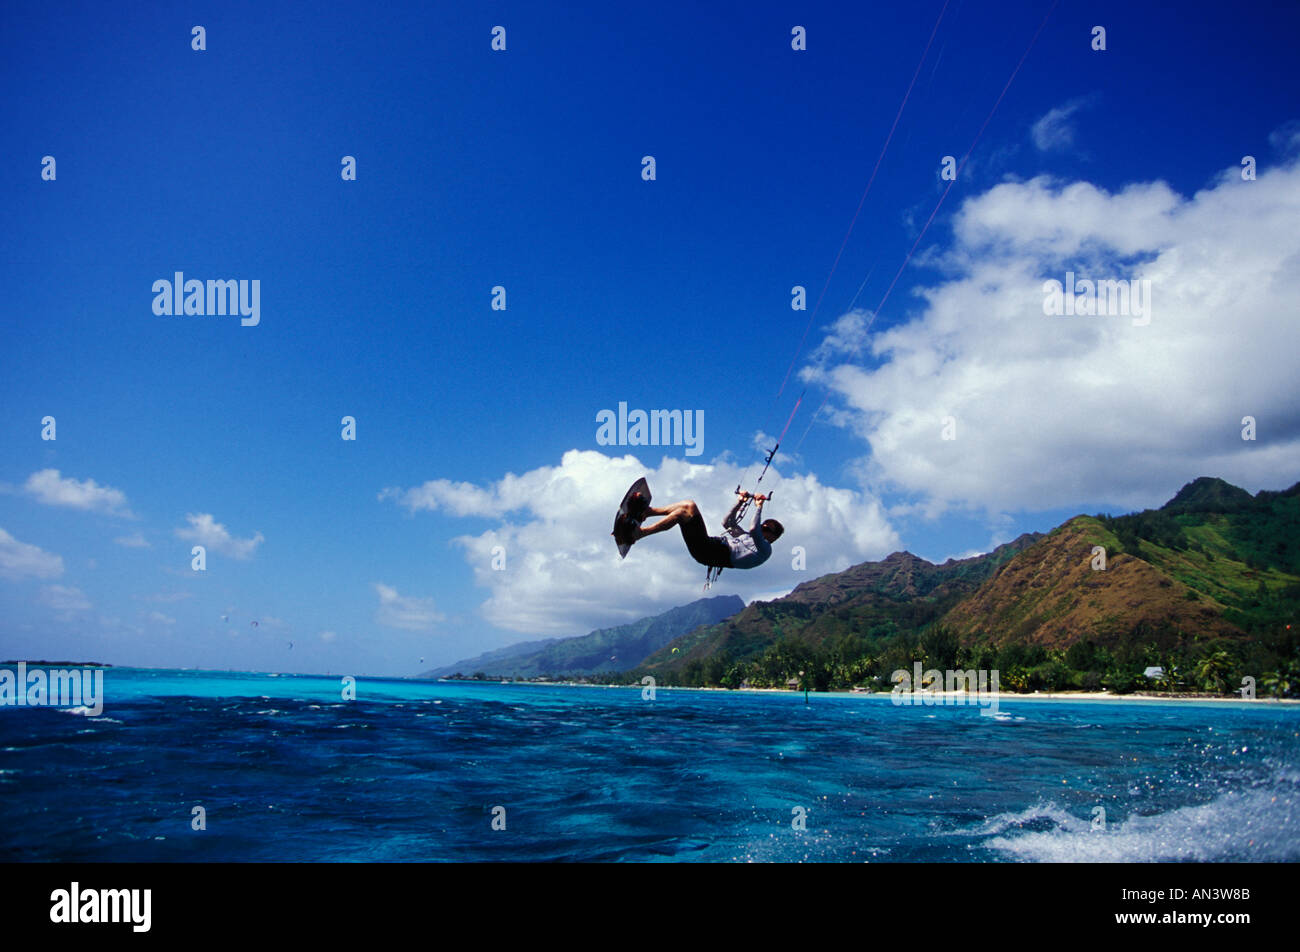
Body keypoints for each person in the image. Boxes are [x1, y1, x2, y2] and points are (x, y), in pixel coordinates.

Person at [630, 491, 783, 570]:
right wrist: (739, 503)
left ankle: (640, 533)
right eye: (763, 525)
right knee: (689, 506)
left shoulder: (765, 550)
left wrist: (759, 507)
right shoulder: (749, 538)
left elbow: (753, 528)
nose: (763, 528)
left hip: (712, 553)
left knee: (683, 514)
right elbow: (727, 522)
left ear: (773, 537)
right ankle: (647, 512)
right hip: (711, 546)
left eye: (767, 528)